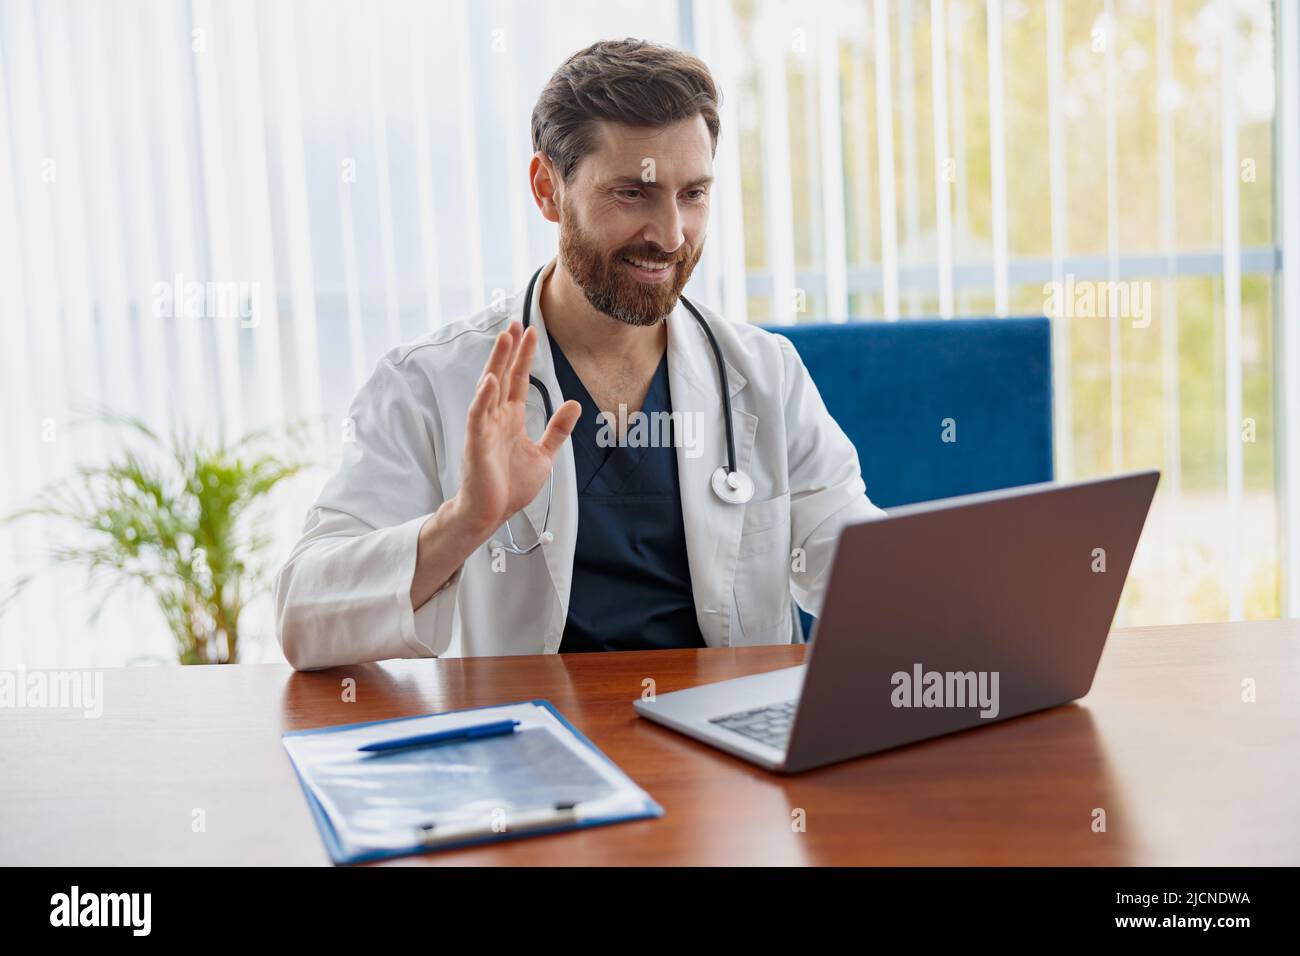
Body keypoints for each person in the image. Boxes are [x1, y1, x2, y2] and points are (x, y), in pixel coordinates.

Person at [274, 38, 883, 670]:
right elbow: (304, 618)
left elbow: (857, 563)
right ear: (547, 189)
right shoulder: (429, 383)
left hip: (727, 747)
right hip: (532, 750)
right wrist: (463, 522)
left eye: (694, 194)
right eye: (633, 194)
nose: (671, 235)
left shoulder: (763, 374)